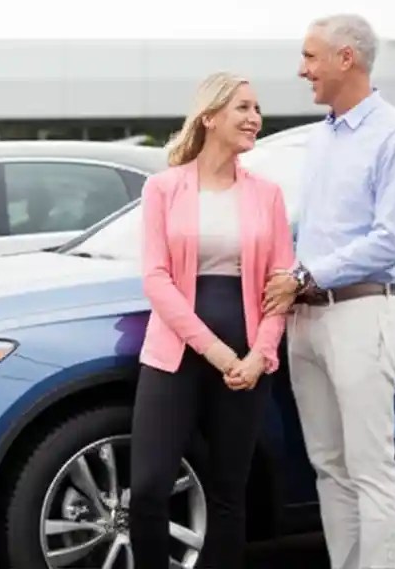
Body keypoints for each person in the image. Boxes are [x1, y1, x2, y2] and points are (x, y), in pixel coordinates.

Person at [263, 14, 395, 569]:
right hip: (307, 321)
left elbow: (391, 240)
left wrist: (306, 278)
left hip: (362, 315)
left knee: (370, 468)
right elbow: (308, 232)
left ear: (346, 59)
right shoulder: (322, 138)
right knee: (329, 467)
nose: (302, 69)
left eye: (311, 57)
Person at [130, 71, 296, 569]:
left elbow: (280, 282)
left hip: (246, 361)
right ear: (210, 118)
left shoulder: (268, 194)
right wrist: (217, 351)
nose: (254, 118)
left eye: (257, 108)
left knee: (228, 493)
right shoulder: (163, 188)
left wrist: (260, 355)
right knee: (149, 487)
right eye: (243, 108)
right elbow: (157, 278)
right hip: (175, 352)